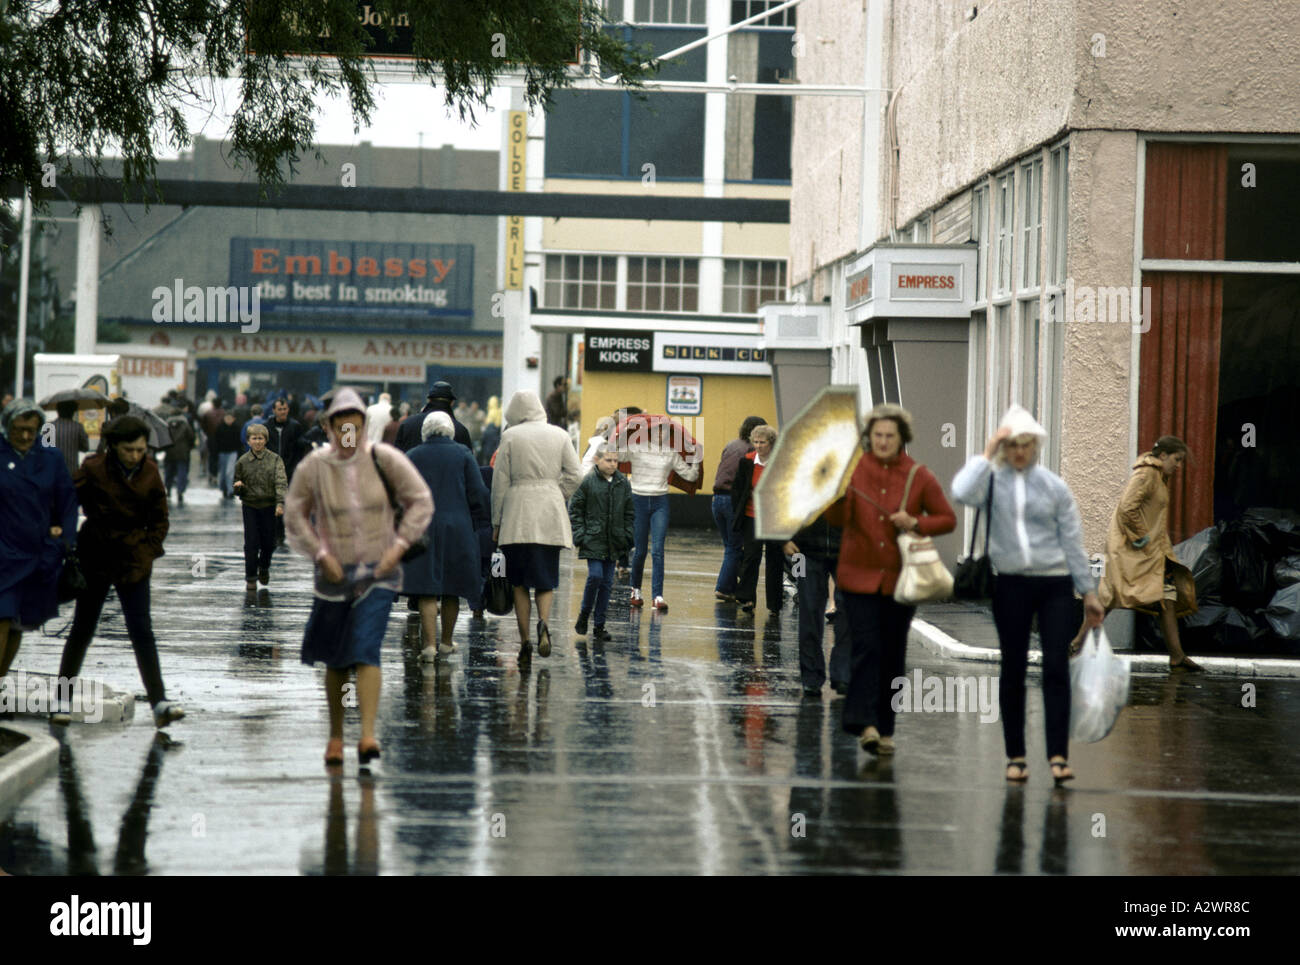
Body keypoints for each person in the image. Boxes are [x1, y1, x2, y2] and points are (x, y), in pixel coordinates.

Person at [952, 404, 1104, 785]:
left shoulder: (1053, 487)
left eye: (1026, 445)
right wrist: (988, 452)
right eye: (1013, 445)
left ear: (1036, 446)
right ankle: (1015, 756)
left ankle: (1057, 756)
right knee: (1013, 667)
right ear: (1005, 447)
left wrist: (1088, 591)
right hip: (1011, 583)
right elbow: (960, 492)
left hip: (1053, 584)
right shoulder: (990, 481)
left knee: (1055, 665)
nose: (1019, 452)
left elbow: (1072, 541)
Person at [285, 388, 433, 769]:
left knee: (366, 648)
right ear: (331, 426)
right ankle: (336, 736)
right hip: (333, 574)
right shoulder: (315, 466)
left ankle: (368, 735)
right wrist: (319, 553)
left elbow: (421, 500)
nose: (348, 431)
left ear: (364, 426)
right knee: (336, 658)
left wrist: (398, 547)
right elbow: (295, 514)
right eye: (341, 425)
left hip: (379, 574)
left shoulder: (384, 459)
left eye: (355, 424)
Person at [827, 404, 956, 756]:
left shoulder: (918, 475)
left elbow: (947, 519)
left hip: (900, 582)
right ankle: (864, 722)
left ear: (902, 439)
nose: (883, 442)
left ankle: (885, 728)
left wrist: (916, 523)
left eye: (890, 436)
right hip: (858, 578)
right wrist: (834, 496)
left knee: (894, 656)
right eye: (877, 435)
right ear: (869, 438)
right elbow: (836, 518)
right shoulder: (852, 471)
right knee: (867, 648)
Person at [55, 416, 184, 728]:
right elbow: (67, 500)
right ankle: (61, 701)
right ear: (113, 447)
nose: (136, 456)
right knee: (82, 629)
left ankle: (159, 703)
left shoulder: (151, 472)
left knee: (142, 631)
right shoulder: (93, 468)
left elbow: (160, 519)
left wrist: (148, 550)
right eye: (129, 450)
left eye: (141, 449)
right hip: (95, 554)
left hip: (134, 558)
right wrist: (63, 532)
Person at [1082, 435, 1201, 671]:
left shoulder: (1159, 477)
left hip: (1154, 554)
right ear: (1163, 455)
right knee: (1111, 599)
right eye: (1176, 460)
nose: (1178, 466)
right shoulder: (1147, 474)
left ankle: (1177, 655)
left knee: (1166, 599)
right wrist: (1141, 537)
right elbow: (1127, 508)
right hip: (1137, 553)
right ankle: (1077, 643)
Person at [491, 390, 582, 659]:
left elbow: (500, 484)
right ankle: (544, 623)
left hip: (517, 516)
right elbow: (576, 475)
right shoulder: (561, 434)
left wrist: (496, 521)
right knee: (545, 581)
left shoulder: (510, 437)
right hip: (549, 516)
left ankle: (525, 640)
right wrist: (557, 492)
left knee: (518, 583)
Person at [402, 411, 490, 661]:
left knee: (428, 588)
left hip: (423, 526)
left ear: (425, 431)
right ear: (450, 430)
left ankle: (428, 646)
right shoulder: (463, 454)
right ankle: (446, 642)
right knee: (452, 588)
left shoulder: (413, 456)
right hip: (457, 527)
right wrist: (480, 519)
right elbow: (478, 492)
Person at [0, 400, 78, 678]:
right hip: (4, 552)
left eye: (31, 430)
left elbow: (67, 501)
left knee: (19, 621)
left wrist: (64, 539)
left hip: (37, 554)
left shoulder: (51, 458)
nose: (24, 436)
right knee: (3, 615)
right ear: (7, 427)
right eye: (18, 429)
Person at [620, 417, 701, 611]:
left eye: (665, 432)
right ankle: (636, 590)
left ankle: (658, 596)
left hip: (660, 502)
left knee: (658, 550)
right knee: (639, 551)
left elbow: (690, 476)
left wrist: (696, 460)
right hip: (637, 499)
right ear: (649, 432)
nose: (661, 434)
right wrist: (617, 438)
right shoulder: (636, 448)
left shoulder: (671, 453)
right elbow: (618, 457)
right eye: (657, 431)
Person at [569, 444, 634, 641]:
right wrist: (581, 535)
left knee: (607, 583)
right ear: (598, 460)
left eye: (616, 460)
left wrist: (627, 535)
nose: (613, 464)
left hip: (614, 539)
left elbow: (629, 512)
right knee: (595, 576)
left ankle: (599, 625)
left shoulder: (623, 483)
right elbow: (576, 509)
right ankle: (584, 614)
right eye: (608, 460)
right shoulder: (588, 481)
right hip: (593, 538)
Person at [783, 509, 849, 697]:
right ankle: (811, 677)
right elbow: (781, 498)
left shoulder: (851, 477)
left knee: (848, 611)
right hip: (804, 551)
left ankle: (843, 674)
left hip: (848, 550)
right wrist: (782, 539)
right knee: (808, 610)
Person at [731, 424, 784, 614]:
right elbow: (737, 489)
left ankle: (775, 604)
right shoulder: (746, 461)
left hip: (774, 519)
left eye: (763, 442)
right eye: (756, 442)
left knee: (775, 560)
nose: (759, 446)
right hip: (751, 516)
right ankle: (746, 599)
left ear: (771, 444)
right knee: (751, 557)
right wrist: (738, 510)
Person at [712, 416, 766, 601]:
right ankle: (724, 588)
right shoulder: (752, 451)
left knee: (730, 547)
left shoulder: (731, 444)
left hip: (716, 499)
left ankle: (733, 586)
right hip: (732, 500)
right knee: (734, 548)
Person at [233, 423, 288, 591]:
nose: (257, 442)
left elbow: (281, 482)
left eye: (260, 438)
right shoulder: (242, 461)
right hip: (250, 505)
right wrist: (238, 487)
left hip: (269, 505)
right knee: (251, 543)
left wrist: (280, 503)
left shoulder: (275, 459)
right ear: (248, 441)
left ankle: (263, 567)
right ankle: (250, 577)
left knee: (268, 543)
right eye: (254, 438)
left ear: (265, 440)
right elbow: (236, 484)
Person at [395, 381, 472, 453]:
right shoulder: (461, 430)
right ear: (452, 403)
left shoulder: (408, 424)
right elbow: (469, 462)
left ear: (428, 400)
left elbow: (396, 456)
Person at [161, 406, 196, 505]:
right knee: (182, 472)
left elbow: (163, 438)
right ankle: (180, 491)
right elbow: (191, 437)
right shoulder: (185, 424)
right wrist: (189, 447)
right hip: (183, 452)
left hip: (169, 451)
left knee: (169, 472)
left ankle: (168, 489)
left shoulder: (166, 424)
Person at [50, 400, 91, 478]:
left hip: (52, 470)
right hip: (72, 471)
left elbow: (42, 448)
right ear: (73, 412)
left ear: (58, 411)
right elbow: (85, 448)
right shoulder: (78, 427)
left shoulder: (49, 426)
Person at [214, 409, 242, 498]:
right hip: (222, 452)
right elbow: (215, 441)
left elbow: (239, 441)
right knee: (222, 473)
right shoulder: (220, 427)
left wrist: (239, 452)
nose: (228, 420)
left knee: (229, 472)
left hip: (232, 452)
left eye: (230, 418)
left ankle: (230, 490)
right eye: (227, 418)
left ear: (234, 419)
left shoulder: (237, 428)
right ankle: (224, 489)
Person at [478, 395, 502, 466]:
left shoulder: (492, 412)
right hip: (495, 434)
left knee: (488, 460)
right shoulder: (499, 410)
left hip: (490, 433)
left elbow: (489, 423)